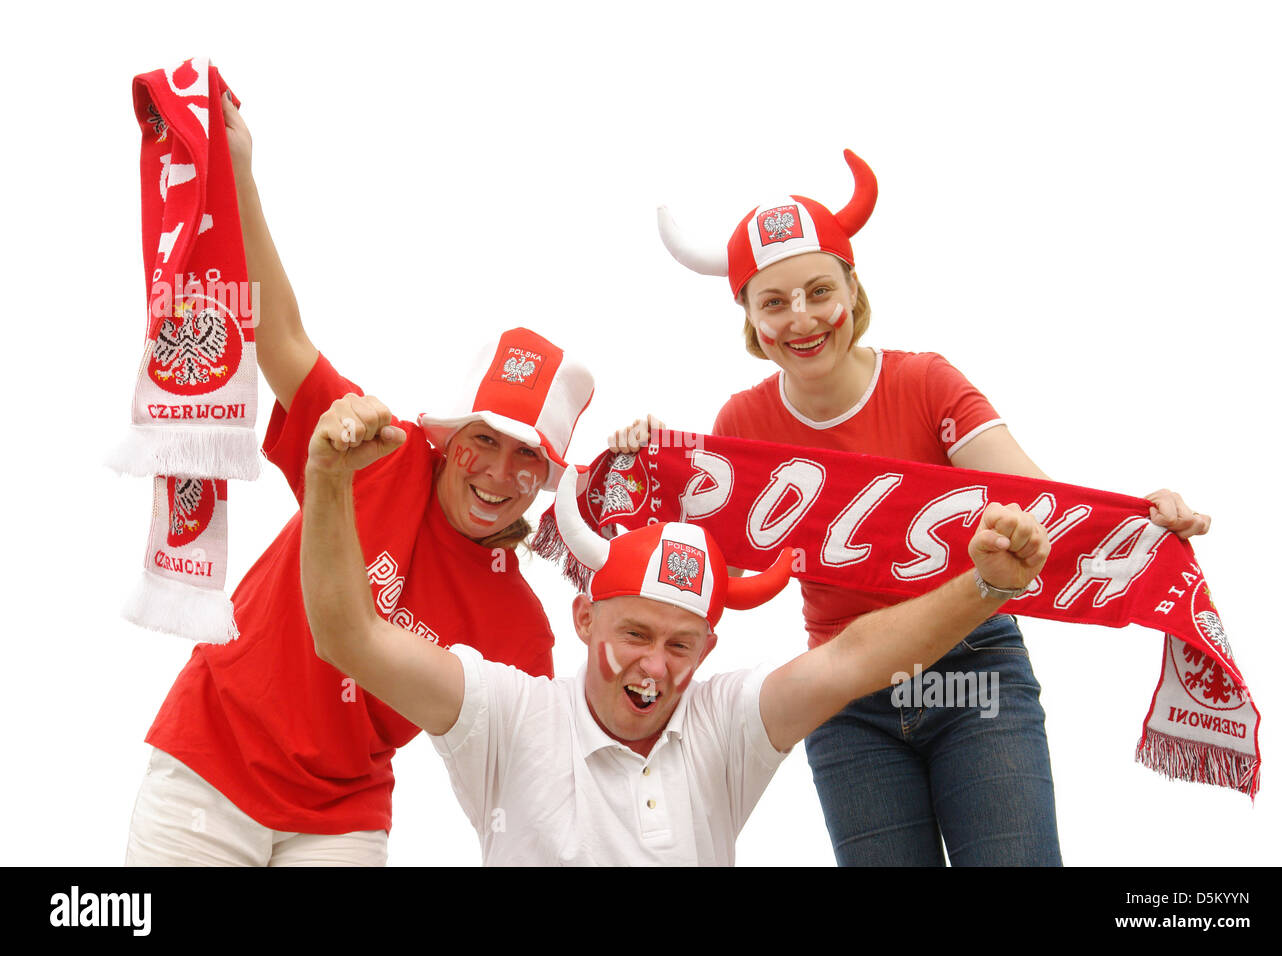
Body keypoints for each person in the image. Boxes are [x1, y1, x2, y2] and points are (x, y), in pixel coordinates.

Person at [641, 149, 1212, 866]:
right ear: (750, 318)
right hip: (847, 695)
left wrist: (1141, 518)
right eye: (775, 302)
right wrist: (645, 463)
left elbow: (1039, 502)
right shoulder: (741, 424)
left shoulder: (926, 384)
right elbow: (706, 574)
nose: (802, 318)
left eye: (819, 291)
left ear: (853, 288)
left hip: (974, 671)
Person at [124, 92, 595, 866]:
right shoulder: (374, 447)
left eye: (527, 457)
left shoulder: (521, 632)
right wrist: (239, 172)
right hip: (211, 763)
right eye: (484, 440)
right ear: (450, 437)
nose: (499, 472)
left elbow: (544, 780)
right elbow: (279, 336)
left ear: (544, 478)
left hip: (341, 813)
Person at [299, 396, 1053, 866]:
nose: (654, 666)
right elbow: (348, 638)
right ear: (585, 618)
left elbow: (853, 658)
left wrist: (986, 584)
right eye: (634, 634)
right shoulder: (507, 714)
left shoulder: (722, 725)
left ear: (707, 650)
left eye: (680, 644)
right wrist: (329, 480)